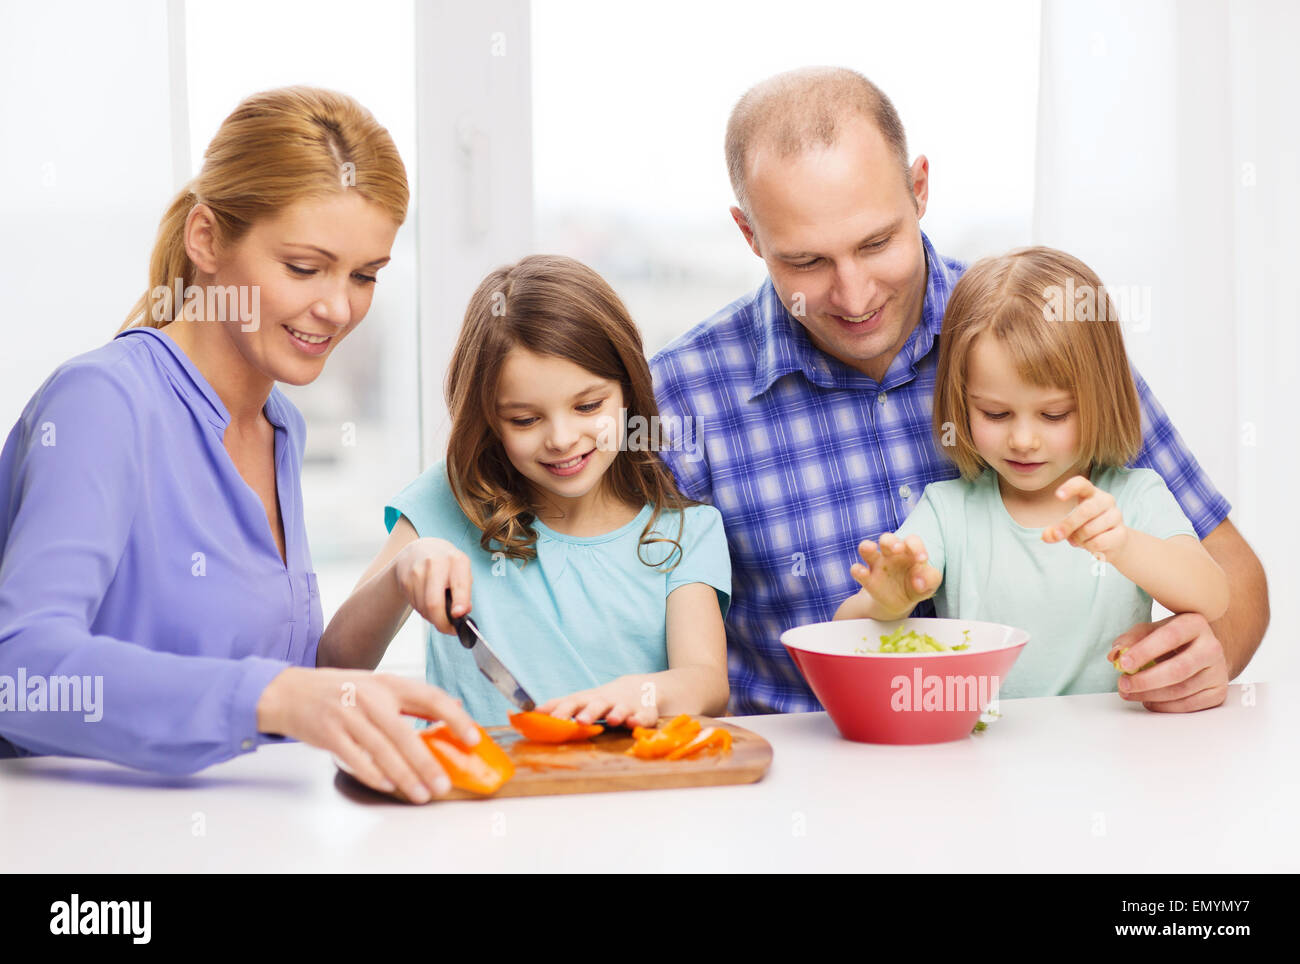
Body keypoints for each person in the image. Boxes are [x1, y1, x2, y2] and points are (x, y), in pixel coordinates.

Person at [650, 66, 1267, 715]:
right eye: (807, 261)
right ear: (750, 235)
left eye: (877, 242)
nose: (854, 296)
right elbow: (630, 647)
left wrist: (1205, 658)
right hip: (798, 781)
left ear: (919, 189)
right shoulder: (679, 395)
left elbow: (1235, 575)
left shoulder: (1036, 332)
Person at [0, 87, 480, 805]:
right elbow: (20, 671)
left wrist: (400, 572)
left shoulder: (280, 426)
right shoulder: (104, 403)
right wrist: (280, 697)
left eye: (365, 275)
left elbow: (285, 674)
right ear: (206, 239)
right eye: (303, 267)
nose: (338, 307)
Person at [317, 254, 731, 727]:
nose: (560, 438)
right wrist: (397, 577)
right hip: (469, 790)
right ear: (489, 420)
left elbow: (707, 681)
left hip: (620, 791)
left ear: (629, 392)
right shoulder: (448, 501)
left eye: (588, 405)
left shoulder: (686, 532)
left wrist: (646, 692)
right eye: (525, 419)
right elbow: (336, 663)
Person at [834, 247, 1230, 697]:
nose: (1023, 440)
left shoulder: (1135, 498)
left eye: (1055, 415)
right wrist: (888, 601)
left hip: (1112, 750)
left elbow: (1213, 596)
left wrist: (1125, 545)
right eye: (996, 414)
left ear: (1102, 399)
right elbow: (846, 630)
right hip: (986, 752)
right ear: (962, 403)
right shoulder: (948, 511)